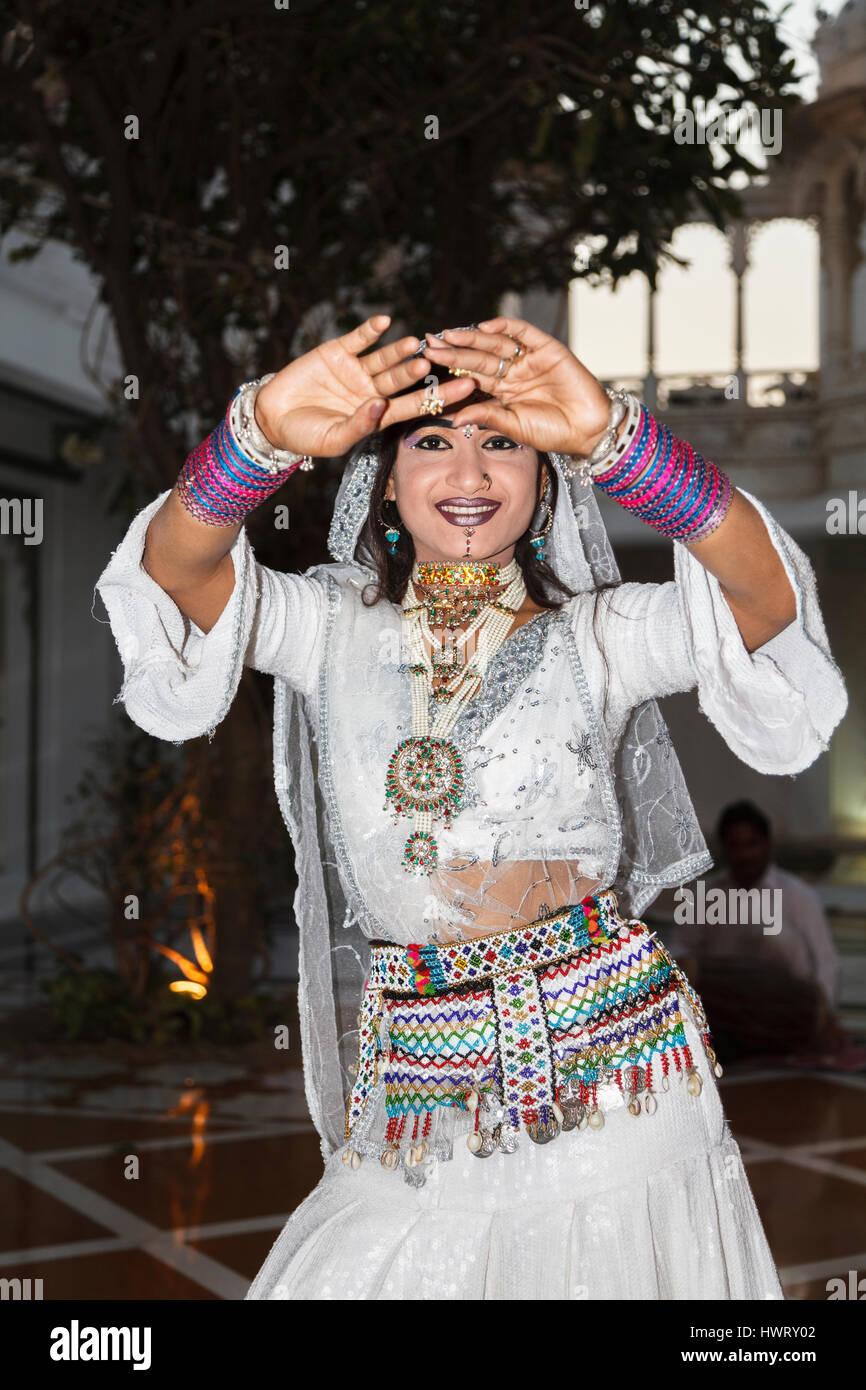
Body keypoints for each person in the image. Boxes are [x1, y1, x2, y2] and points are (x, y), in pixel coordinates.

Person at [94, 314, 848, 1300]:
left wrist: (623, 443)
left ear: (542, 484)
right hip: (418, 1074)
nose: (469, 470)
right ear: (384, 482)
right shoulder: (324, 623)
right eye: (433, 441)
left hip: (613, 1069)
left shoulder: (600, 632)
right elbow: (174, 575)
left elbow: (761, 605)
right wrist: (255, 436)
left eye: (502, 442)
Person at [676, 800, 861, 1066]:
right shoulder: (702, 896)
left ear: (768, 843)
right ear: (724, 849)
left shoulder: (799, 895)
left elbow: (826, 963)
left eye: (751, 844)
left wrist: (822, 1017)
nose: (744, 854)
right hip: (723, 1017)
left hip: (785, 1014)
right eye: (735, 846)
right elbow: (683, 949)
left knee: (777, 937)